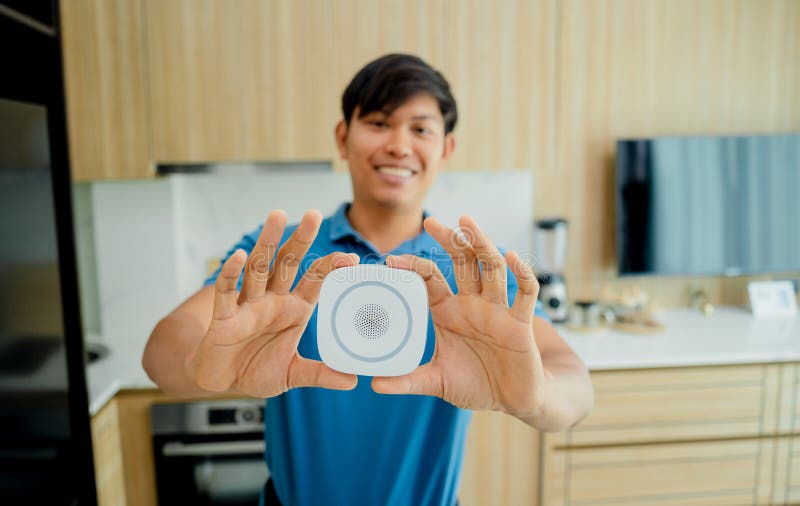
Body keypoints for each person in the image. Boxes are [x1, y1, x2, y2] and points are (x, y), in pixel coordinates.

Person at [142, 53, 593, 506]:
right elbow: (165, 345)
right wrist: (204, 367)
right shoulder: (283, 253)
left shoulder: (472, 273)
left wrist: (535, 397)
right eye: (379, 122)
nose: (399, 145)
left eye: (420, 129)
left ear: (446, 150)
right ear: (343, 137)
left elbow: (573, 382)